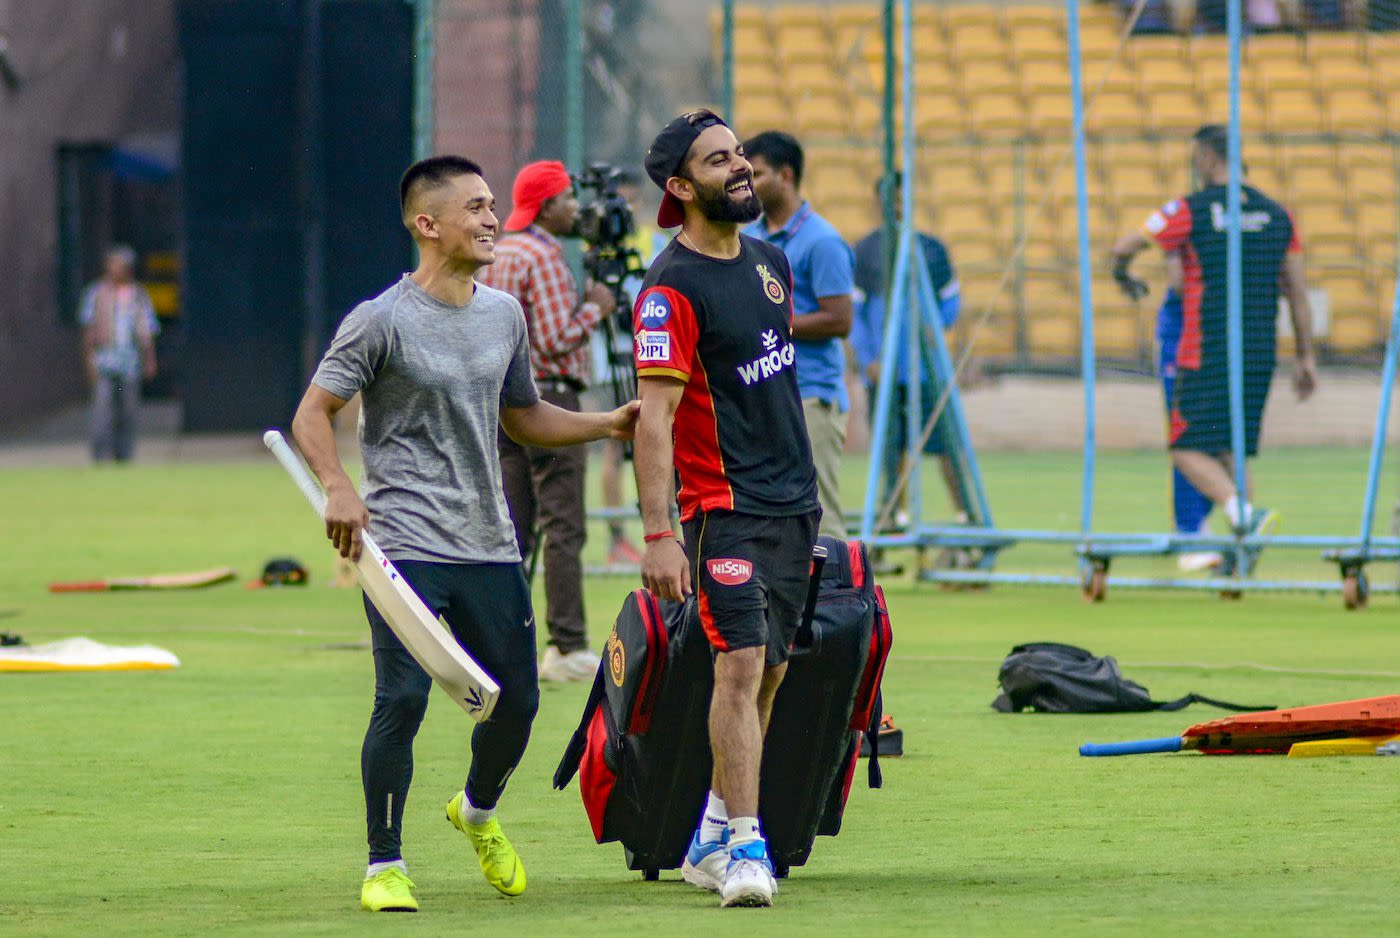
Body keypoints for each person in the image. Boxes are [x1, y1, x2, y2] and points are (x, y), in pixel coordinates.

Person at [291, 155, 637, 913]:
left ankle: (476, 811)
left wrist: (605, 423)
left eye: (493, 207)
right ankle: (386, 863)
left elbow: (523, 417)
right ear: (428, 224)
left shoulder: (502, 314)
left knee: (518, 703)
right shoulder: (379, 319)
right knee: (403, 699)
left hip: (489, 542)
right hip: (407, 545)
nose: (492, 219)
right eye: (476, 208)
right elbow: (312, 413)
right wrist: (339, 488)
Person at [632, 109, 819, 908]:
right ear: (682, 186)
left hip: (793, 503)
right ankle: (747, 844)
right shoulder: (667, 291)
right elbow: (653, 420)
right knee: (739, 666)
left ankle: (710, 834)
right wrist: (658, 534)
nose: (741, 166)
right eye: (719, 160)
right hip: (723, 507)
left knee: (771, 668)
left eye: (739, 152)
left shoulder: (770, 259)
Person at [1110, 124, 1317, 568]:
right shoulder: (1279, 216)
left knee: (1184, 445)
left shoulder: (1190, 208)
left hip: (1206, 346)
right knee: (1231, 449)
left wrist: (1121, 272)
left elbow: (1125, 244)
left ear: (1206, 156)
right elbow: (1297, 293)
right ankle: (1244, 549)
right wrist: (1305, 356)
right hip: (1260, 348)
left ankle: (1242, 513)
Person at [479, 160, 617, 683]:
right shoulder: (543, 255)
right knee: (564, 523)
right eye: (566, 199)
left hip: (499, 398)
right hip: (551, 399)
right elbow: (558, 336)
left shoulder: (497, 251)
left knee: (514, 527)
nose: (575, 209)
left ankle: (501, 637)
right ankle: (567, 643)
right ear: (548, 205)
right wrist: (598, 307)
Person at [741, 130, 855, 542]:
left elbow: (840, 320)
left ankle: (845, 603)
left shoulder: (822, 241)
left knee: (820, 516)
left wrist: (769, 321)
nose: (748, 183)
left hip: (811, 395)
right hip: (765, 392)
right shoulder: (751, 236)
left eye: (758, 174)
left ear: (786, 176)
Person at [850, 173, 966, 530]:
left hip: (927, 370)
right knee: (890, 448)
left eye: (903, 199)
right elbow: (855, 312)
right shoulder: (866, 250)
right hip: (884, 372)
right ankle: (892, 515)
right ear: (879, 203)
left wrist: (938, 327)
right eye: (891, 200)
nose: (898, 206)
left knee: (947, 444)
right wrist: (868, 358)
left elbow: (951, 301)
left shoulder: (931, 249)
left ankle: (964, 514)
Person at [1154, 254, 1222, 572]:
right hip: (1183, 345)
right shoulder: (1186, 217)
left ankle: (1200, 526)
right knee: (1188, 439)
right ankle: (1189, 532)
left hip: (1213, 341)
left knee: (1213, 441)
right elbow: (1178, 283)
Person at [78, 245, 158, 463]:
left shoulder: (138, 295)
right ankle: (101, 455)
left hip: (129, 364)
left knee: (128, 410)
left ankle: (124, 455)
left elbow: (147, 330)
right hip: (104, 363)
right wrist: (88, 362)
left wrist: (149, 359)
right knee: (102, 411)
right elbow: (88, 330)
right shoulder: (96, 294)